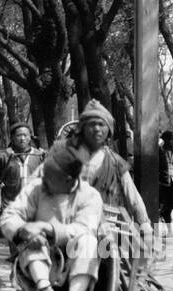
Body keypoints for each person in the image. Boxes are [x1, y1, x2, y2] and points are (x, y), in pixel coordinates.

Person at [0, 143, 103, 291]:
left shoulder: (91, 196)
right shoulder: (37, 188)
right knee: (31, 240)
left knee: (90, 241)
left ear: (70, 179)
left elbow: (85, 227)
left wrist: (49, 228)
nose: (46, 180)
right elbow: (10, 215)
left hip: (74, 259)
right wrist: (21, 230)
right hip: (38, 261)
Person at [65, 101, 153, 256]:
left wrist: (144, 222)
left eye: (101, 125)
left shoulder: (115, 161)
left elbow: (132, 195)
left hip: (109, 224)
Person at [0, 121, 46, 209]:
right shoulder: (3, 156)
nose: (22, 138)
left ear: (30, 137)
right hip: (10, 204)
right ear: (12, 138)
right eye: (19, 135)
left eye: (26, 135)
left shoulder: (39, 156)